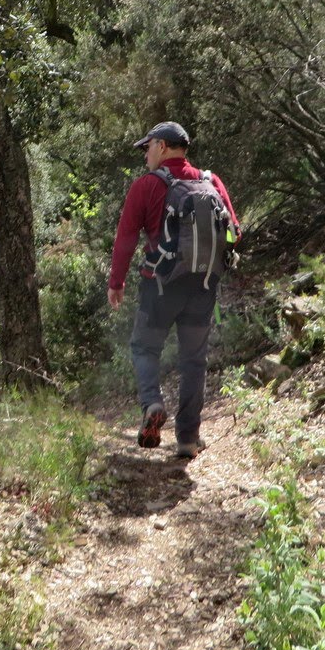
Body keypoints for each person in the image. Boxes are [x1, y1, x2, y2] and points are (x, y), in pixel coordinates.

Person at [107, 121, 241, 459]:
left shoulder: (146, 187)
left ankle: (152, 403)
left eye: (147, 147)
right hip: (203, 287)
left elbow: (125, 238)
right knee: (193, 361)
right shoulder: (211, 182)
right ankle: (187, 439)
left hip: (161, 288)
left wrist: (117, 283)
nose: (145, 154)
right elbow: (234, 233)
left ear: (163, 146)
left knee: (143, 348)